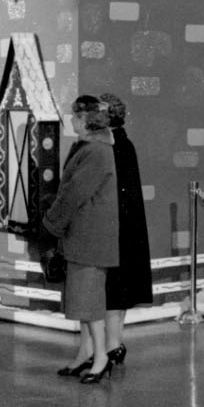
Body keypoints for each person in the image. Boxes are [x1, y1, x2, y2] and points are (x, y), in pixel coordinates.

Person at [44, 96, 120, 383]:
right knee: (83, 300)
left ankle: (100, 357)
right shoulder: (92, 148)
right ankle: (86, 353)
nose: (72, 121)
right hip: (84, 236)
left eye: (75, 116)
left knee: (89, 301)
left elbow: (74, 192)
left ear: (86, 120)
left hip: (90, 238)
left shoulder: (95, 151)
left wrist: (50, 222)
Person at [98, 91, 152, 366]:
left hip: (115, 226)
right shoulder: (125, 144)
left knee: (114, 286)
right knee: (121, 286)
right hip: (128, 225)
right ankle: (116, 342)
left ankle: (112, 345)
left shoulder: (110, 147)